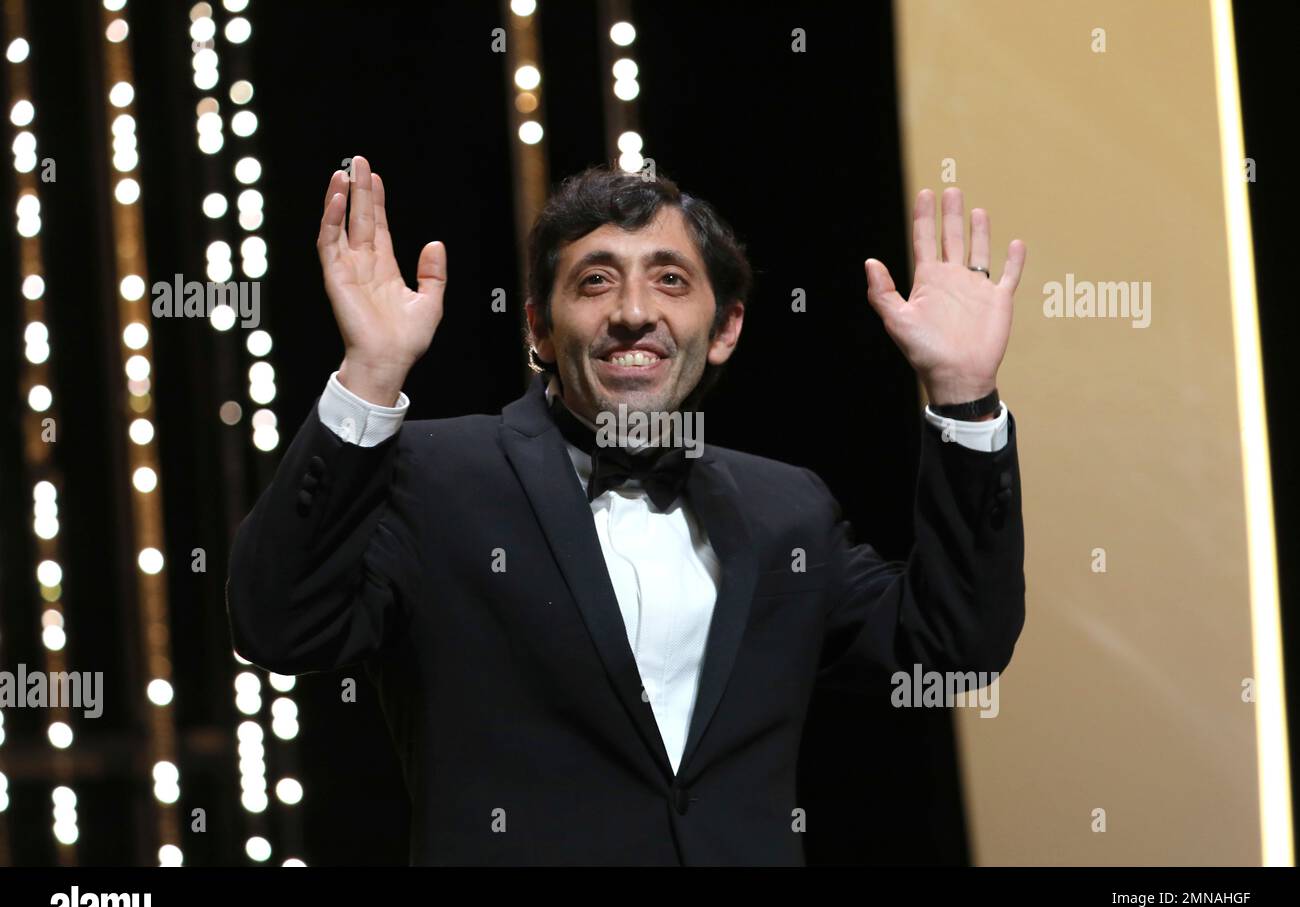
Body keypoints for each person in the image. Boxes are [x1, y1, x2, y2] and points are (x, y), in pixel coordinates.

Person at [225, 155, 1027, 865]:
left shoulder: (788, 510)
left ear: (725, 329)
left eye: (671, 280)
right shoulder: (436, 475)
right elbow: (280, 627)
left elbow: (950, 655)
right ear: (540, 327)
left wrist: (963, 399)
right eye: (595, 280)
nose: (633, 312)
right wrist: (370, 372)